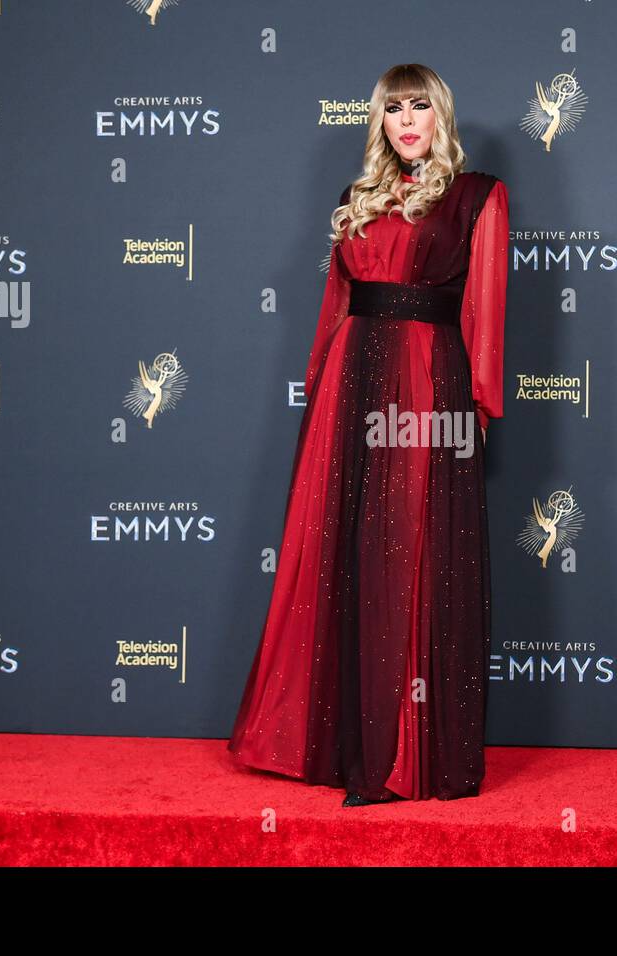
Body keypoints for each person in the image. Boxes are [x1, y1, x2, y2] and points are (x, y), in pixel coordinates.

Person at [227, 63, 508, 804]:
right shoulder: (357, 200)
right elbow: (333, 309)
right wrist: (322, 393)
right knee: (340, 547)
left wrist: (476, 410)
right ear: (379, 121)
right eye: (394, 109)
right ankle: (326, 744)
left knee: (410, 550)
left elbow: (484, 312)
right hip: (349, 389)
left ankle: (406, 755)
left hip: (427, 383)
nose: (407, 120)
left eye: (419, 106)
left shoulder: (477, 196)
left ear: (440, 113)